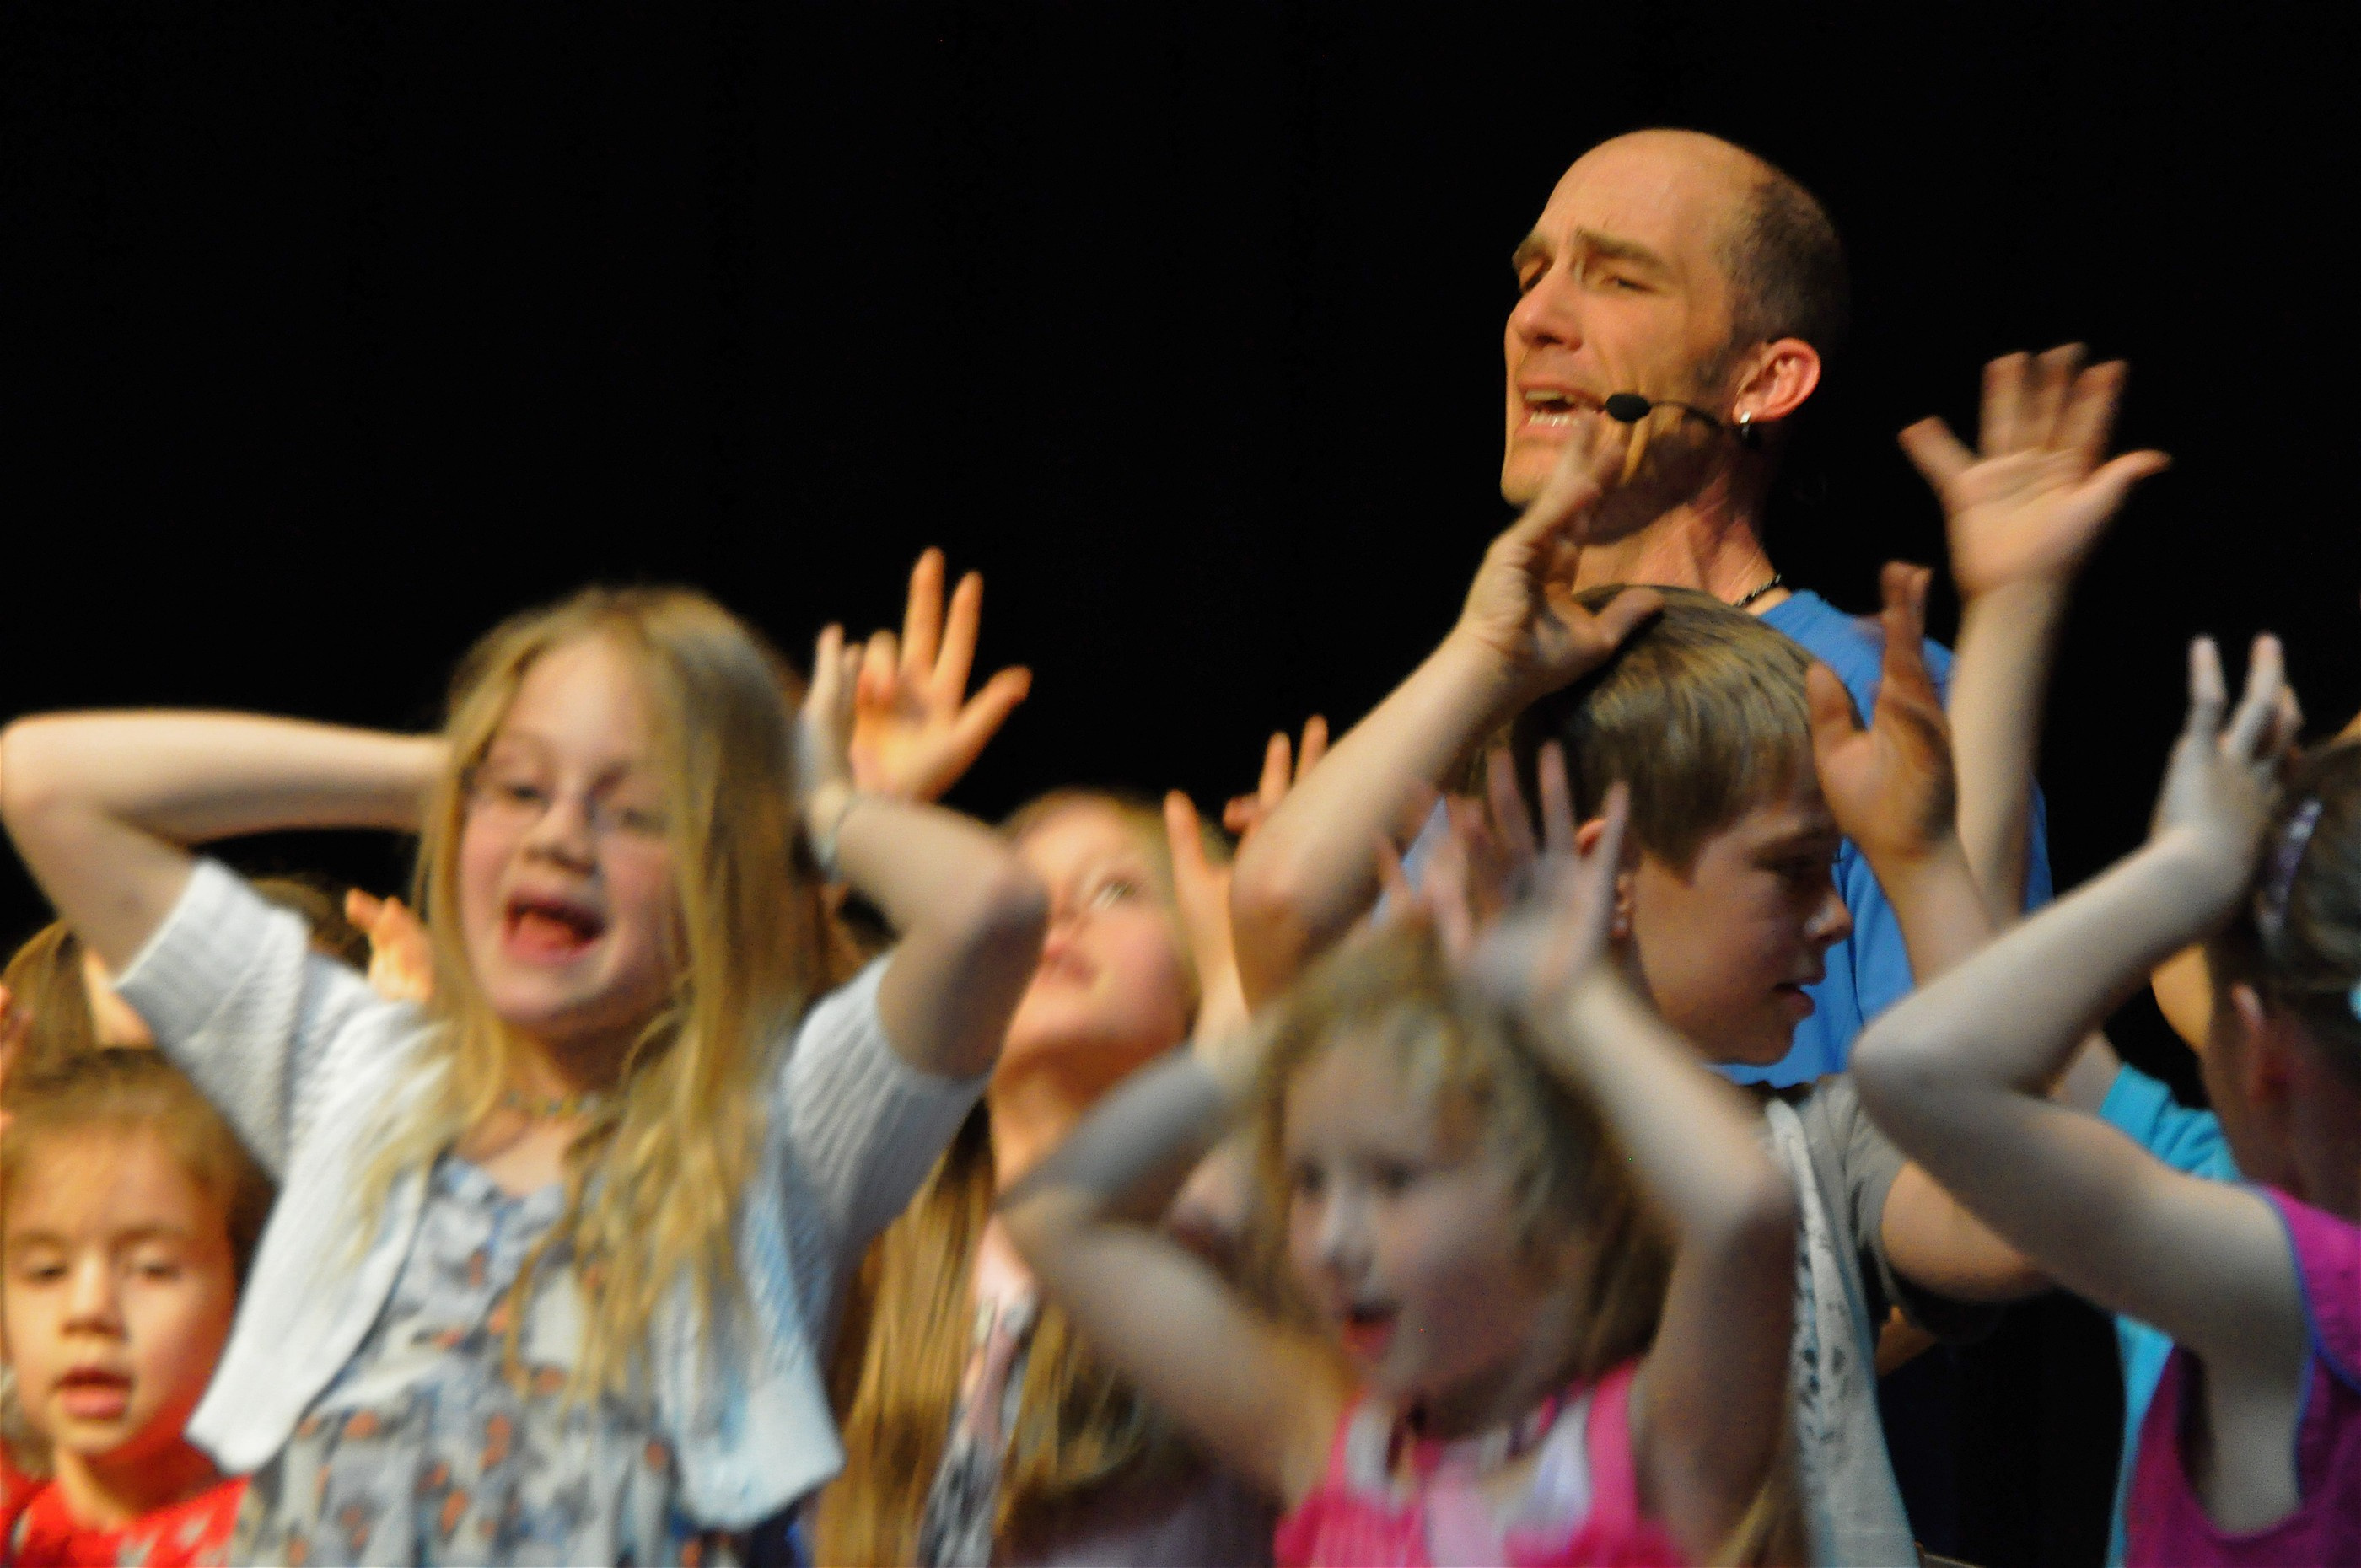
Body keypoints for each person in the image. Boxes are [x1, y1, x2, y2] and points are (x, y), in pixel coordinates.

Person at [0, 583, 1051, 1562]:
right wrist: (442, 781)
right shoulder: (353, 1072)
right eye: (519, 789)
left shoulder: (785, 1128)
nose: (558, 838)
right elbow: (44, 784)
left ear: (730, 873)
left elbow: (991, 911)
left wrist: (819, 817)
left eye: (638, 811)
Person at [1240, 127, 2070, 1086]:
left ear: (1763, 380)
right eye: (1531, 275)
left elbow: (1984, 1123)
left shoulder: (1879, 699)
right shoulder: (1471, 706)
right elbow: (1295, 994)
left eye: (1617, 280)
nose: (1535, 319)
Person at [1002, 768, 1803, 1566]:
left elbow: (1743, 1215)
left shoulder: (1657, 1450)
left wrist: (1570, 998)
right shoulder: (1331, 1447)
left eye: (1394, 1181)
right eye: (1310, 1184)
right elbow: (1055, 1217)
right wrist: (1300, 1029)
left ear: (1562, 1211)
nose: (1333, 1242)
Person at [817, 550, 1293, 1565]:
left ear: (1196, 980)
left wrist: (1257, 969)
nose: (1057, 918)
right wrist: (855, 818)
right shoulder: (880, 1236)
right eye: (1021, 901)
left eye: (1117, 891)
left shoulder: (1246, 1227)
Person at [1851, 636, 2361, 1565]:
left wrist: (2187, 867)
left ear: (2258, 1050)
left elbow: (1919, 1067)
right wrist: (1919, 857)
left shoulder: (2282, 1284)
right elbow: (2002, 1030)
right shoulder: (2210, 1185)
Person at [0, 1048, 274, 1566]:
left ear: (243, 1297)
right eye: (45, 1272)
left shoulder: (282, 1535)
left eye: (153, 1269)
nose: (88, 1311)